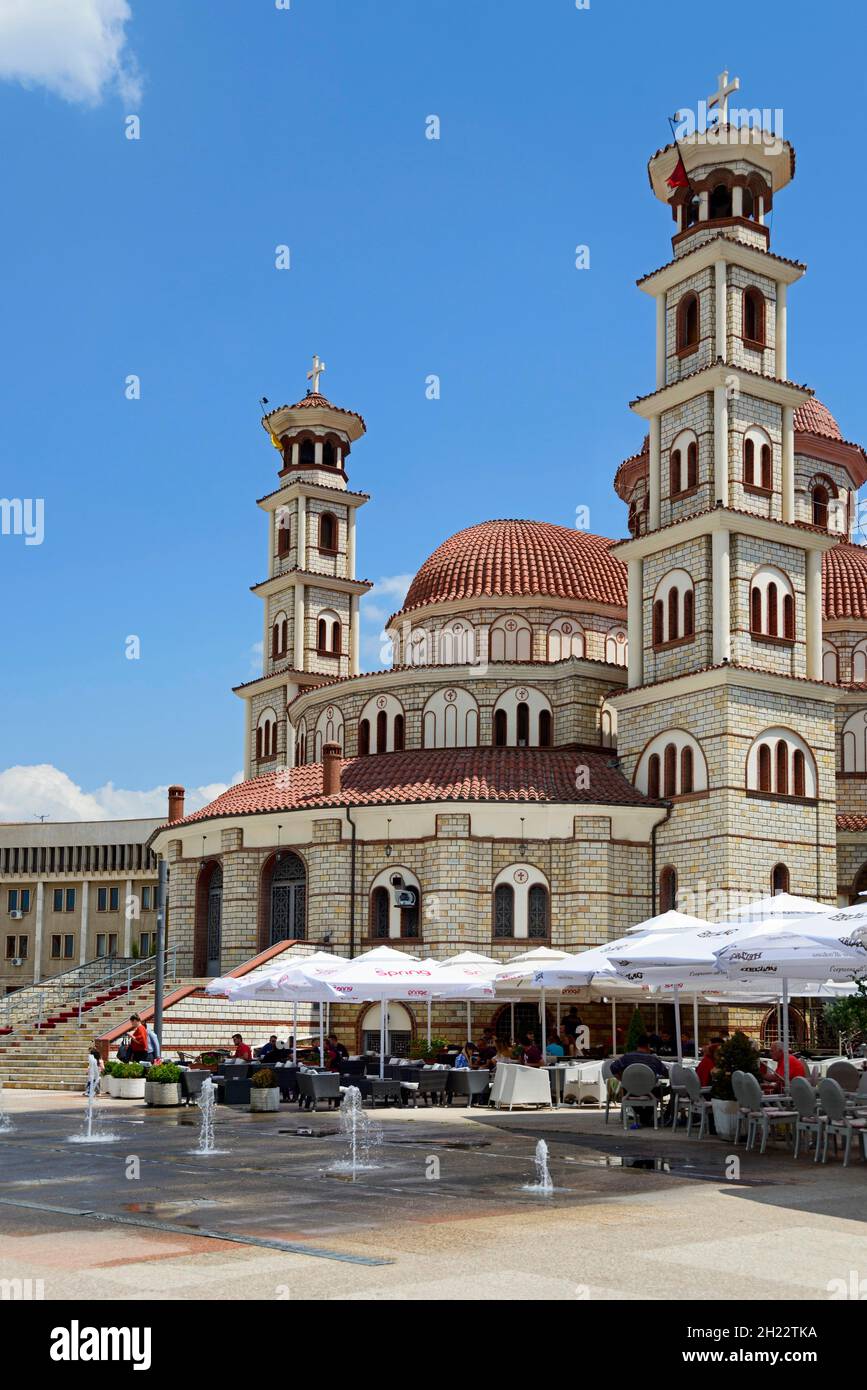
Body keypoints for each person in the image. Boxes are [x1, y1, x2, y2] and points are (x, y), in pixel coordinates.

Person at [609, 1033, 669, 1125]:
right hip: (650, 1093)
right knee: (667, 1089)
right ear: (649, 1046)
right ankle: (664, 1116)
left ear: (637, 1045)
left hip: (630, 1092)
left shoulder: (626, 1057)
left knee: (635, 1091)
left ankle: (644, 1118)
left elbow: (613, 1068)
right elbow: (666, 1073)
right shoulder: (653, 1060)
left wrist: (623, 1080)